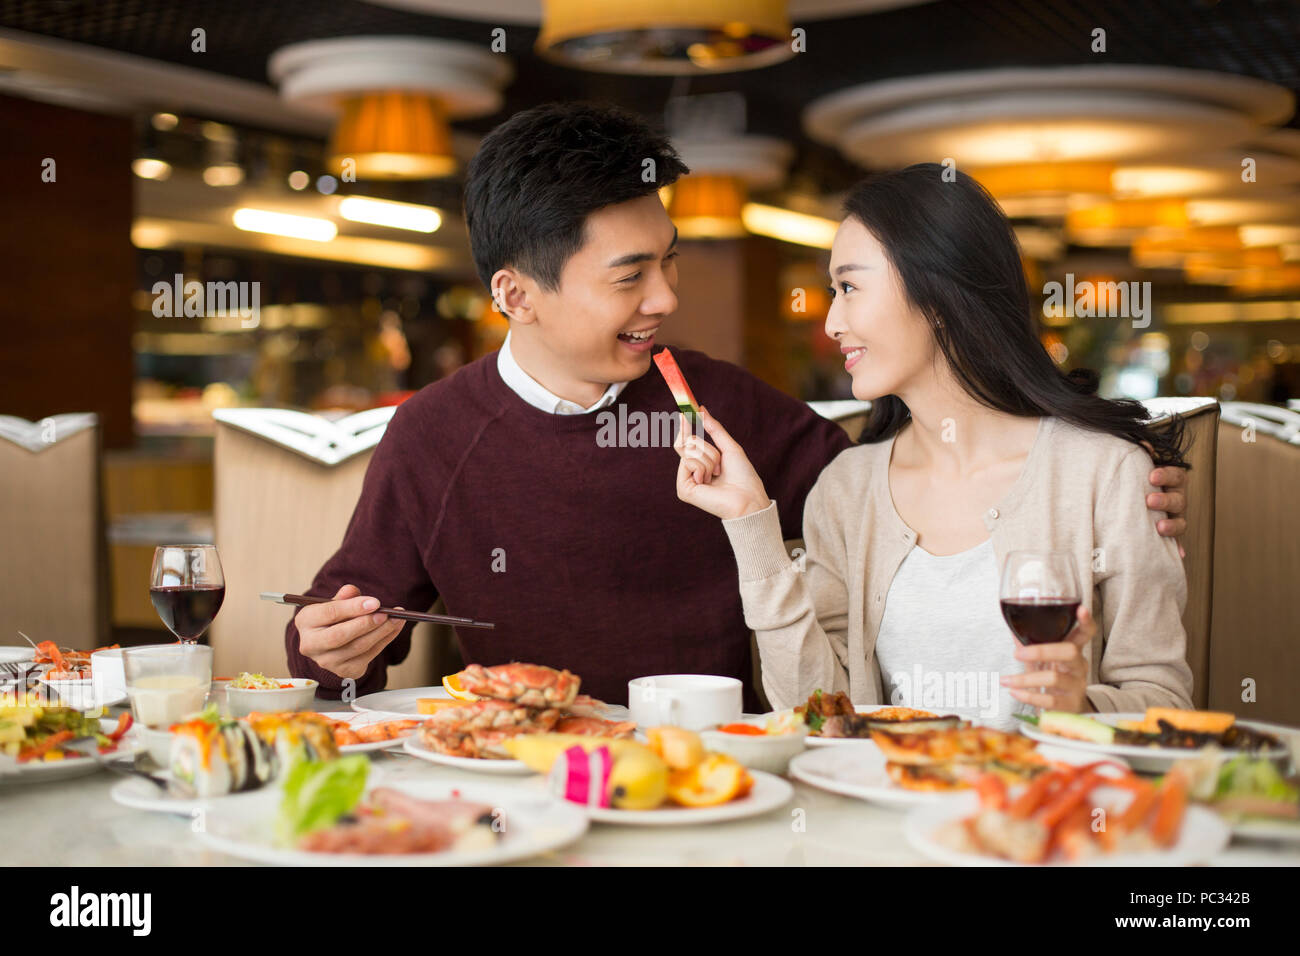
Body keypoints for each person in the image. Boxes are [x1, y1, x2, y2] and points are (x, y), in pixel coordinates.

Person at [285, 104, 1189, 710]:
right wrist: (324, 643)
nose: (665, 298)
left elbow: (899, 488)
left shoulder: (715, 400)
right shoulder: (435, 435)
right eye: (629, 275)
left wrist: (1121, 481)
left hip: (727, 791)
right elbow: (344, 618)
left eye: (668, 260)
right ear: (518, 296)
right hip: (526, 784)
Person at [674, 164, 1195, 727]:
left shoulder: (1105, 473)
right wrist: (753, 528)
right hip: (890, 805)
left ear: (940, 294)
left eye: (849, 287)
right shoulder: (846, 488)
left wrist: (1081, 704)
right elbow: (818, 716)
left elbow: (1165, 701)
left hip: (1048, 810)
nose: (829, 322)